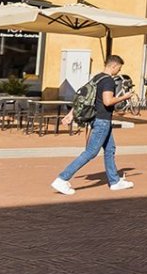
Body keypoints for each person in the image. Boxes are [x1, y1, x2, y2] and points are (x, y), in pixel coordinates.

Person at [51, 55, 134, 194]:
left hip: (97, 118)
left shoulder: (97, 78)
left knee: (110, 149)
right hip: (102, 120)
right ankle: (62, 179)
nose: (119, 71)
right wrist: (124, 97)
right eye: (119, 68)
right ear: (113, 66)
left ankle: (115, 181)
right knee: (91, 152)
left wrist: (71, 114)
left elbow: (83, 97)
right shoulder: (108, 81)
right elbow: (108, 102)